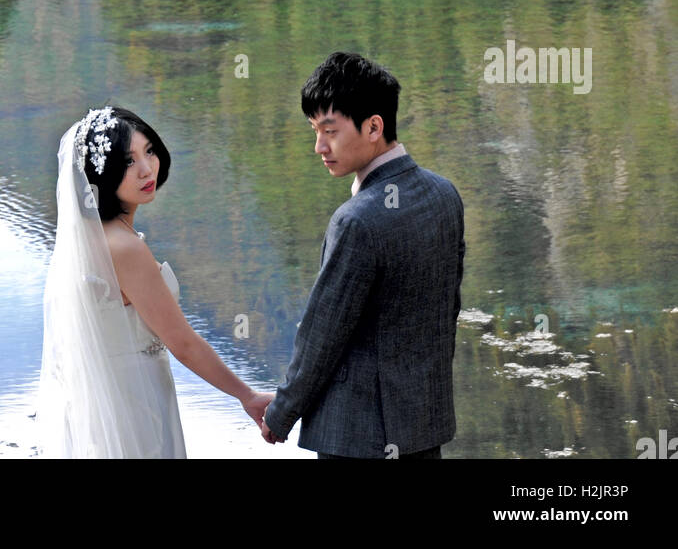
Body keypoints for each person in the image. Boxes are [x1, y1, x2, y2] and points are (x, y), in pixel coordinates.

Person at [35, 105, 271, 458]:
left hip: (100, 403)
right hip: (134, 404)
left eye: (149, 151)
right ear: (101, 172)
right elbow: (182, 342)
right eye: (128, 162)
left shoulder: (85, 238)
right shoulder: (125, 247)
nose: (147, 168)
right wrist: (247, 396)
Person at [261, 51, 465, 459]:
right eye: (314, 130)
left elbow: (323, 333)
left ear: (374, 126)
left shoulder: (356, 221)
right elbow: (448, 308)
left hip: (357, 437)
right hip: (423, 426)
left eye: (330, 131)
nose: (319, 146)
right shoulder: (445, 195)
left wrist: (281, 413)